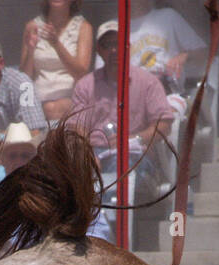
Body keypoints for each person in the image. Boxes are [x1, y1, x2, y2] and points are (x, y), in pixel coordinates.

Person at [70, 21, 175, 166]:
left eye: (118, 43)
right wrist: (86, 154)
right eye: (107, 45)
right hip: (94, 152)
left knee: (122, 164)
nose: (114, 50)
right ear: (99, 50)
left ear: (128, 47)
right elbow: (77, 127)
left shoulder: (148, 82)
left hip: (135, 153)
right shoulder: (85, 85)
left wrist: (134, 140)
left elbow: (164, 124)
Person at [21, 0, 92, 122]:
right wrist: (31, 51)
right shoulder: (32, 26)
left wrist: (56, 44)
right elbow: (24, 79)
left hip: (70, 105)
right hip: (37, 104)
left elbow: (81, 74)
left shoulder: (84, 27)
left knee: (56, 108)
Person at [127, 0, 207, 91]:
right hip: (135, 93)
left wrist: (183, 57)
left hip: (169, 90)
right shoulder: (115, 26)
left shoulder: (168, 16)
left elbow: (203, 52)